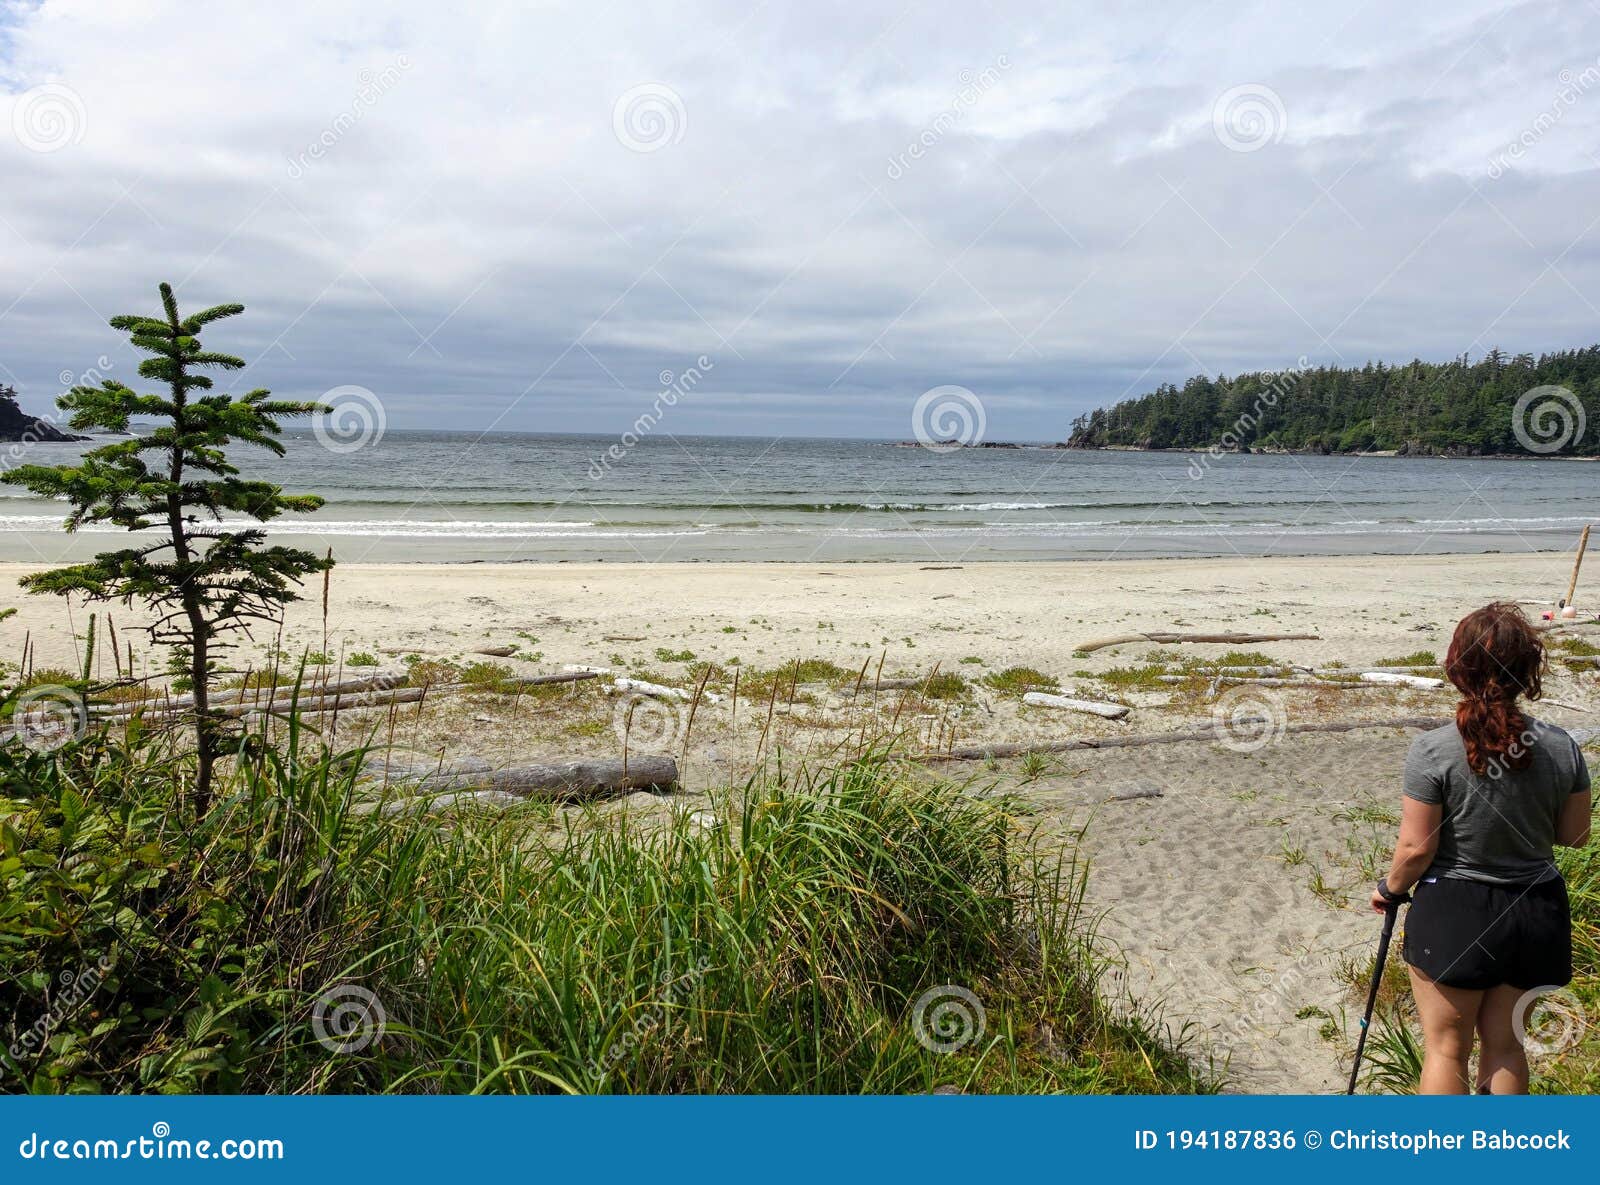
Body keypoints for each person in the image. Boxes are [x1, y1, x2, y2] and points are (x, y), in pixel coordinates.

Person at [1372, 601, 1591, 1094]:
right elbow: (1575, 837)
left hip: (1457, 909)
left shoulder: (1432, 749)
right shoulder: (1562, 745)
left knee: (1447, 1048)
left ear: (1458, 667)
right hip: (1536, 909)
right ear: (1527, 670)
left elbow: (1415, 848)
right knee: (1507, 1046)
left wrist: (1389, 889)